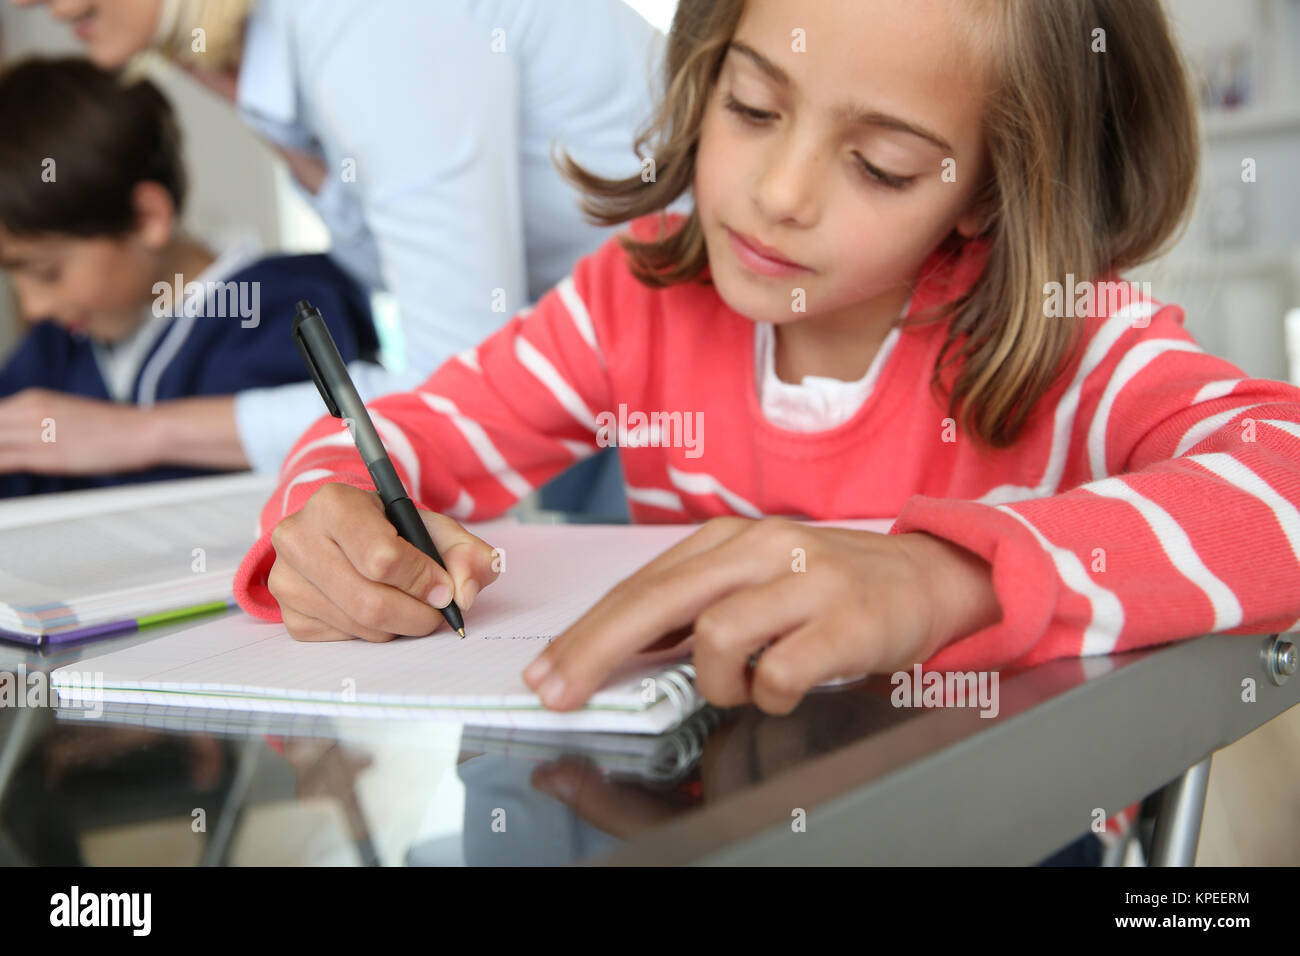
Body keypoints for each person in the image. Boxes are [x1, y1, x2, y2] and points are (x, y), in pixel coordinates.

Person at [238, 0, 1300, 726]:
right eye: (751, 106)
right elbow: (409, 435)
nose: (778, 192)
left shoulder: (1072, 337)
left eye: (880, 165)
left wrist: (952, 576)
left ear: (985, 187)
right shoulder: (636, 297)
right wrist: (328, 510)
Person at [10, 0, 662, 516]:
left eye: (45, 270)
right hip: (606, 361)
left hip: (670, 350)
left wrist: (139, 434)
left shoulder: (375, 26)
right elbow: (399, 266)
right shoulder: (280, 60)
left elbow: (460, 391)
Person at [0, 57, 375, 496]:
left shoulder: (285, 313)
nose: (33, 306)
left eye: (48, 272)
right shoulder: (54, 352)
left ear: (147, 217)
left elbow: (338, 464)